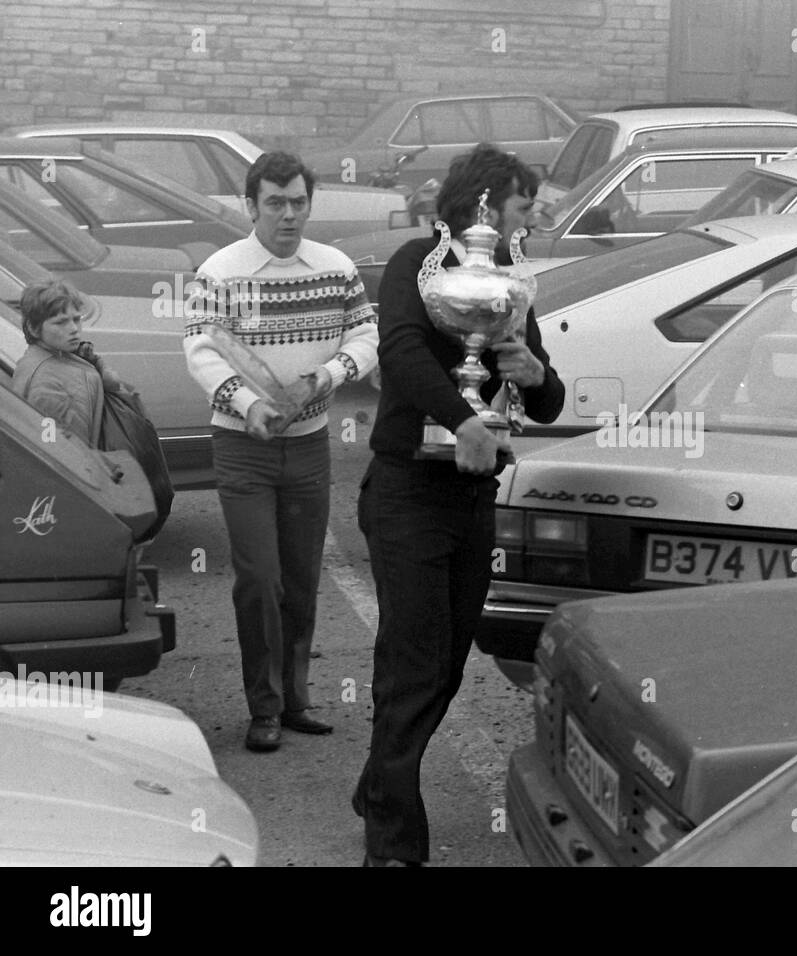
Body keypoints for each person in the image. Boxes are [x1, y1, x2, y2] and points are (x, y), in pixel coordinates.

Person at [352, 143, 564, 866]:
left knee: (444, 666)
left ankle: (378, 785)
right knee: (410, 668)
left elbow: (548, 397)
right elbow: (404, 354)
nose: (528, 216)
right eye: (522, 204)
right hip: (408, 492)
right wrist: (464, 420)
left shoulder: (507, 284)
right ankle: (393, 846)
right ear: (485, 204)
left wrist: (534, 373)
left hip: (471, 499)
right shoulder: (417, 265)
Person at [183, 151, 379, 753]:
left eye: (298, 202)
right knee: (259, 579)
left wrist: (323, 379)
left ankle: (295, 699)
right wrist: (250, 404)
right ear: (251, 205)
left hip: (310, 448)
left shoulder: (336, 266)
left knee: (299, 577)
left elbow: (366, 333)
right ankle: (262, 707)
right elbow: (200, 346)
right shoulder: (220, 271)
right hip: (243, 449)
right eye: (275, 202)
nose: (289, 214)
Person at [13, 278, 125, 446]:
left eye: (76, 319)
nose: (73, 329)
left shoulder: (51, 357)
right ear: (33, 328)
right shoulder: (48, 385)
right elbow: (64, 451)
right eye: (61, 322)